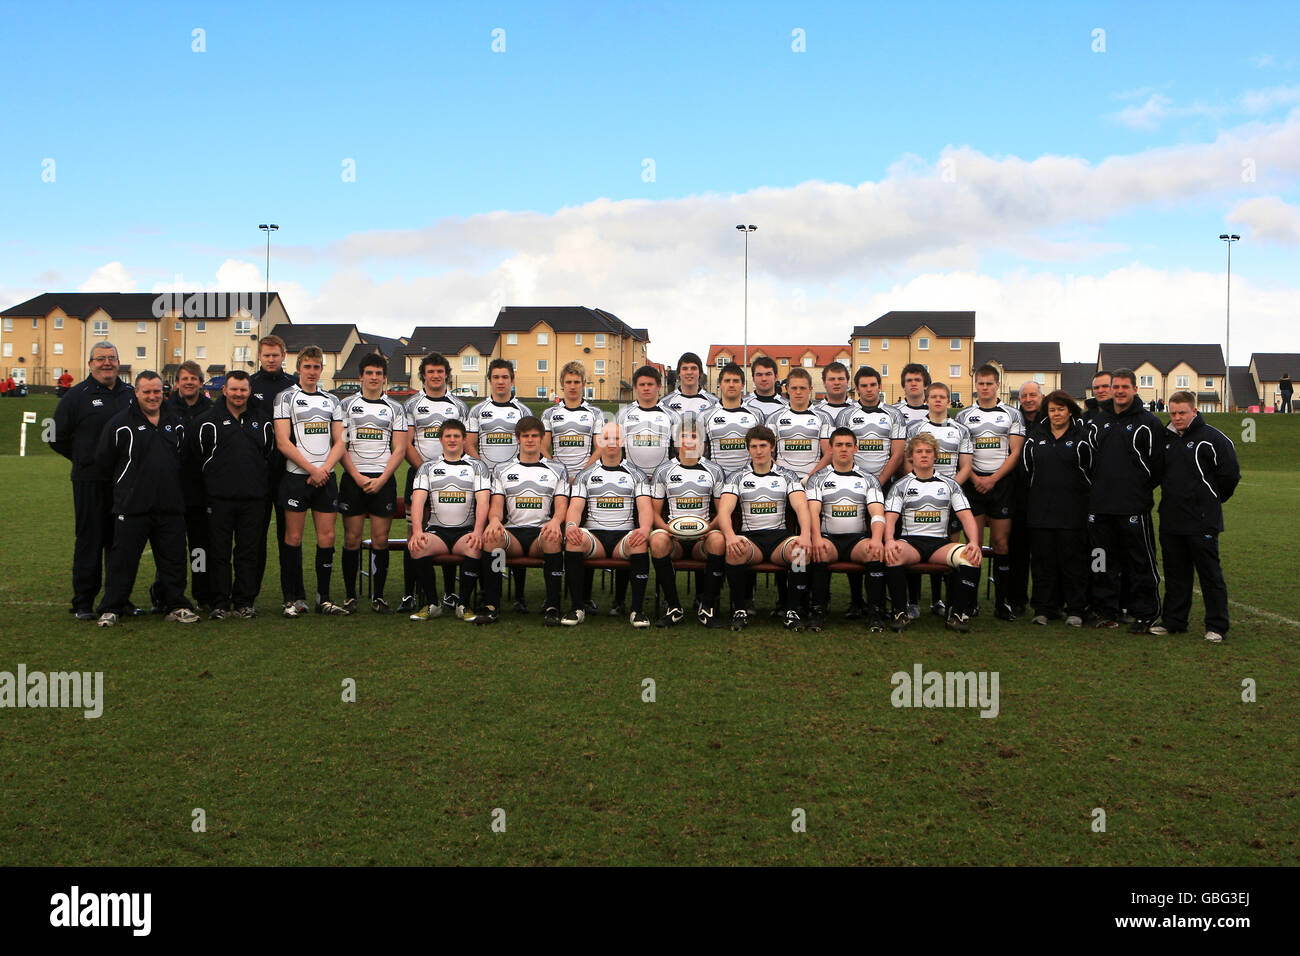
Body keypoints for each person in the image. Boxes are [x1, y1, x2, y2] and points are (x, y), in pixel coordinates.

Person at [93, 371, 199, 627]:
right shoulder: (120, 424)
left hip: (170, 505)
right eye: (147, 392)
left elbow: (186, 461)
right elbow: (104, 462)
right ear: (136, 393)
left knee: (174, 560)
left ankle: (176, 605)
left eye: (157, 391)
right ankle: (112, 607)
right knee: (123, 560)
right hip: (132, 506)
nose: (152, 397)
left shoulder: (177, 422)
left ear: (163, 392)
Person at [50, 342, 137, 620]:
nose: (107, 363)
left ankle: (117, 601)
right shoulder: (76, 396)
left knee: (120, 543)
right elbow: (56, 436)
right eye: (101, 359)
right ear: (90, 364)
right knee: (90, 539)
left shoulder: (130, 394)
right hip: (89, 481)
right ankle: (83, 602)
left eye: (112, 358)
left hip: (124, 481)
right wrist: (83, 459)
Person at [1150, 391, 1240, 642]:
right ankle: (1174, 621)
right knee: (1176, 574)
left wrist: (1209, 501)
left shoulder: (1212, 439)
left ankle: (1216, 626)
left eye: (1182, 413)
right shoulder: (1165, 439)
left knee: (1210, 575)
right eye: (1173, 413)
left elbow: (1230, 475)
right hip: (1171, 520)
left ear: (1194, 412)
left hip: (1202, 520)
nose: (1177, 418)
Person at [708, 425, 813, 632]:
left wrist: (805, 535)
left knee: (800, 553)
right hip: (751, 540)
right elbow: (725, 511)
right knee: (734, 550)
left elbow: (801, 507)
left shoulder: (787, 476)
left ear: (772, 447)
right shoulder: (737, 477)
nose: (758, 451)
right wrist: (729, 537)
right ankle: (740, 610)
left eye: (763, 445)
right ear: (748, 449)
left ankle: (792, 611)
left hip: (779, 540)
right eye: (754, 446)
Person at [1084, 368, 1164, 632]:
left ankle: (1145, 613)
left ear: (1135, 389)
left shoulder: (1148, 422)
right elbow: (1087, 462)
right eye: (1115, 387)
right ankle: (1105, 611)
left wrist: (1136, 489)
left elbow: (1157, 466)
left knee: (1140, 561)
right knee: (1101, 561)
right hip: (1100, 507)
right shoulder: (1097, 421)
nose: (1119, 391)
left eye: (1124, 387)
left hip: (1133, 506)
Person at [193, 369, 274, 619]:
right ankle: (219, 602)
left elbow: (269, 456)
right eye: (234, 389)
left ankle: (244, 601)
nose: (239, 394)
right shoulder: (207, 421)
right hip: (218, 500)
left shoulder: (263, 421)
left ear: (249, 392)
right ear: (224, 390)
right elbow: (196, 459)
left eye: (243, 389)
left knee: (248, 552)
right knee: (218, 552)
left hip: (253, 499)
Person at [883, 433, 983, 634]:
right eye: (919, 451)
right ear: (911, 456)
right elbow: (890, 518)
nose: (924, 455)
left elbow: (966, 516)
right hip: (911, 543)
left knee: (971, 558)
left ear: (935, 455)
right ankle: (900, 612)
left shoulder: (949, 484)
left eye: (928, 451)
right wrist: (889, 540)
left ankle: (957, 614)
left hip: (940, 544)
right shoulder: (901, 485)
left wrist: (973, 542)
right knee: (892, 555)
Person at [474, 416, 570, 626]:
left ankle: (552, 607)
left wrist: (555, 522)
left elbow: (562, 505)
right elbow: (497, 507)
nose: (530, 440)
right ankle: (492, 605)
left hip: (540, 535)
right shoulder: (502, 469)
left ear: (542, 439)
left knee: (553, 538)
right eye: (525, 436)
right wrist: (494, 521)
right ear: (518, 438)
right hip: (514, 535)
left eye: (534, 436)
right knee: (492, 539)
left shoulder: (557, 469)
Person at [274, 346, 347, 617]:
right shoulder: (285, 398)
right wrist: (310, 470)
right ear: (298, 368)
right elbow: (283, 441)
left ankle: (323, 598)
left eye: (317, 367)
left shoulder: (332, 401)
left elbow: (340, 441)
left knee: (327, 537)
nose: (312, 372)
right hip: (296, 477)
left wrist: (324, 470)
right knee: (293, 537)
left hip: (325, 478)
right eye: (308, 367)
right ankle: (292, 599)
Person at [561, 422, 654, 627]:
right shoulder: (585, 475)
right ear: (599, 441)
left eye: (616, 438)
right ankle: (577, 608)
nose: (611, 442)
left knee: (639, 541)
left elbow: (646, 508)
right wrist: (570, 527)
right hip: (595, 537)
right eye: (606, 438)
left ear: (623, 441)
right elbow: (576, 507)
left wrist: (645, 529)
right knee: (574, 541)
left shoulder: (636, 474)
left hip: (624, 537)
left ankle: (637, 611)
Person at [398, 351, 469, 614]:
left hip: (453, 476)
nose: (436, 376)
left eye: (440, 371)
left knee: (449, 528)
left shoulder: (459, 406)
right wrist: (427, 471)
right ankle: (409, 593)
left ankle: (450, 593)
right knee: (413, 535)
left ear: (446, 375)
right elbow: (406, 443)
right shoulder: (411, 405)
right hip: (419, 475)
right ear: (423, 375)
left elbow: (463, 442)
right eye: (431, 372)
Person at [338, 353, 409, 614]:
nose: (374, 377)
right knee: (352, 539)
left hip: (383, 480)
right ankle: (349, 596)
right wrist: (357, 477)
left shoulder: (395, 408)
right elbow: (340, 445)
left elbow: (400, 448)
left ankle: (378, 597)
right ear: (361, 376)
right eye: (369, 373)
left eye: (378, 373)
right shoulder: (346, 406)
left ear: (384, 377)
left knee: (381, 540)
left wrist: (382, 479)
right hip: (353, 479)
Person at [955, 364, 1026, 620]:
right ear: (975, 385)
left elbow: (1015, 451)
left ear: (998, 385)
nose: (984, 388)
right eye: (980, 383)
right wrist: (975, 478)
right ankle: (970, 602)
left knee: (1000, 544)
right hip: (973, 486)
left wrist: (994, 479)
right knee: (972, 545)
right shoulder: (963, 416)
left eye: (989, 383)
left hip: (1001, 485)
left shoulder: (1012, 414)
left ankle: (1002, 603)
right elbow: (961, 453)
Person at [407, 419, 492, 621]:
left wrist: (478, 531)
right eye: (448, 436)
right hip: (438, 532)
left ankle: (463, 604)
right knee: (417, 546)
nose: (452, 440)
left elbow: (483, 502)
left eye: (456, 436)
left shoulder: (478, 467)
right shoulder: (427, 467)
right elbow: (418, 501)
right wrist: (418, 531)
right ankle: (433, 603)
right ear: (441, 439)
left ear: (464, 439)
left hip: (466, 531)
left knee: (475, 546)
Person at [805, 427, 887, 632]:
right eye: (839, 445)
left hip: (857, 540)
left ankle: (875, 611)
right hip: (828, 538)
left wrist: (877, 539)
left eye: (848, 445)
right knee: (819, 551)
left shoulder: (868, 478)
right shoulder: (818, 478)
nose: (844, 449)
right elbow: (813, 512)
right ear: (831, 448)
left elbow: (877, 512)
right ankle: (819, 609)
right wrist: (815, 538)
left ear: (856, 449)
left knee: (874, 552)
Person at [840, 365, 907, 618]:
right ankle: (857, 601)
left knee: (886, 542)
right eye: (864, 386)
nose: (869, 390)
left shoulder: (894, 415)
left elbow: (898, 452)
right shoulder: (846, 415)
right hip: (853, 485)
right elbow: (842, 448)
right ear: (856, 389)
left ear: (880, 386)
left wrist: (879, 480)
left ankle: (882, 601)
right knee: (858, 540)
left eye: (873, 385)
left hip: (885, 484)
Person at [466, 358, 533, 610]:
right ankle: (488, 589)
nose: (501, 381)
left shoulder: (523, 411)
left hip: (514, 482)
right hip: (487, 484)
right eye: (496, 377)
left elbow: (530, 443)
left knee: (516, 531)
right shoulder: (477, 411)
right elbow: (469, 443)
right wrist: (482, 467)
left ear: (512, 380)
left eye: (505, 377)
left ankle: (519, 594)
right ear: (490, 380)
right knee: (490, 535)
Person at [1021, 391, 1092, 627]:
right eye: (1052, 410)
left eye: (1061, 409)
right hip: (1041, 512)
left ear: (1070, 410)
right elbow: (1027, 470)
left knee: (1073, 563)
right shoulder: (1035, 437)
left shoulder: (1082, 436)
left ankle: (1075, 609)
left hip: (1073, 512)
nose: (1056, 414)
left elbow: (1090, 471)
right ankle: (1043, 609)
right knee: (1043, 563)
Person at [649, 416, 727, 628]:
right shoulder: (663, 471)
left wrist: (709, 529)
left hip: (702, 538)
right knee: (656, 541)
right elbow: (654, 512)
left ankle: (707, 607)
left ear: (701, 442)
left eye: (694, 436)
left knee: (719, 541)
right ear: (676, 442)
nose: (689, 441)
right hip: (674, 538)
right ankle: (674, 607)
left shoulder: (714, 470)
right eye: (684, 436)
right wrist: (667, 529)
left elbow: (723, 511)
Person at [541, 361, 606, 615]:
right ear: (562, 384)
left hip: (584, 481)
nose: (572, 386)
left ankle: (584, 596)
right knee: (556, 533)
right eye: (568, 382)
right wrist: (559, 471)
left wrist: (582, 473)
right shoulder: (549, 414)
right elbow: (545, 447)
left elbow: (599, 448)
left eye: (577, 382)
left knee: (581, 534)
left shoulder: (595, 414)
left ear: (584, 384)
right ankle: (553, 595)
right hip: (557, 482)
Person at [905, 382, 974, 616]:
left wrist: (949, 489)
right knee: (913, 541)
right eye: (933, 396)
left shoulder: (960, 430)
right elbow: (908, 462)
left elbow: (965, 466)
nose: (937, 400)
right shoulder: (915, 427)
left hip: (949, 497)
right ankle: (913, 602)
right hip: (919, 493)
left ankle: (940, 601)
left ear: (948, 401)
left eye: (942, 397)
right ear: (927, 399)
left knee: (946, 549)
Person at [248, 335, 298, 604]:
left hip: (288, 470)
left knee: (288, 535)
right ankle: (249, 594)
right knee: (255, 536)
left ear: (283, 355)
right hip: (258, 472)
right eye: (266, 355)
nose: (270, 359)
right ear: (259, 356)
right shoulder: (249, 385)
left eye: (275, 355)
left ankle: (290, 594)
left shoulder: (294, 386)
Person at [162, 361, 213, 611]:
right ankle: (166, 594)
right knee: (169, 546)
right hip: (170, 488)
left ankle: (202, 593)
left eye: (194, 378)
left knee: (199, 546)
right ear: (177, 383)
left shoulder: (211, 410)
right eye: (185, 378)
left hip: (200, 491)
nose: (189, 382)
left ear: (201, 383)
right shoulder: (165, 408)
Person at [1006, 381, 1046, 617]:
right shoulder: (1014, 420)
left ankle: (1044, 600)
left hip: (1045, 495)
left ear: (1041, 396)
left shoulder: (1050, 420)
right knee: (1017, 550)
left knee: (1043, 552)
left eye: (1033, 395)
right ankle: (1017, 599)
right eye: (1024, 395)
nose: (1029, 399)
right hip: (1018, 494)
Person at [703, 362, 768, 476]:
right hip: (717, 479)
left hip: (748, 479)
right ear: (720, 384)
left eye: (736, 381)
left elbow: (764, 449)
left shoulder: (756, 414)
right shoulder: (705, 415)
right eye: (727, 381)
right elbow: (699, 454)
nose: (731, 385)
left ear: (743, 385)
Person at [770, 367, 834, 480]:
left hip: (813, 480)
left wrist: (809, 477)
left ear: (810, 389)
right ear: (787, 389)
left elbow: (829, 453)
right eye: (794, 388)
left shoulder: (824, 417)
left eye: (802, 388)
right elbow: (765, 453)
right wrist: (781, 476)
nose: (798, 392)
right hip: (781, 480)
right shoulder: (774, 417)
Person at [663, 352, 718, 418]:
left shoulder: (714, 403)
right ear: (678, 373)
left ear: (700, 372)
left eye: (693, 368)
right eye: (685, 369)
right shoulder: (665, 403)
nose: (689, 372)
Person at [894, 363, 931, 427]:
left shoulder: (935, 411)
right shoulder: (894, 411)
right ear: (903, 386)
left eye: (917, 380)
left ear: (925, 385)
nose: (913, 383)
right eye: (909, 380)